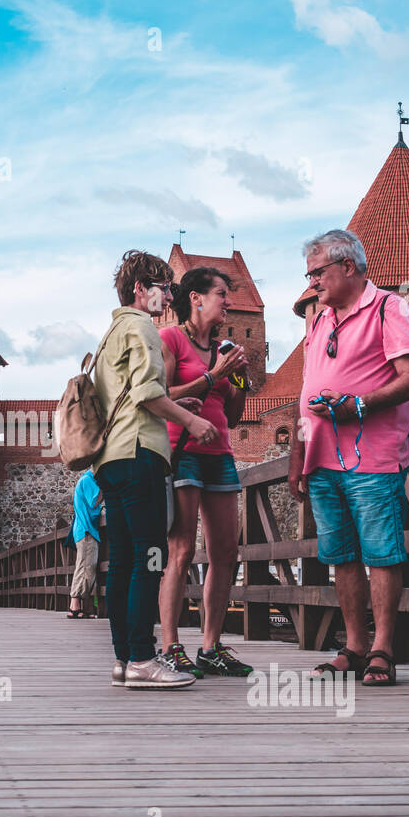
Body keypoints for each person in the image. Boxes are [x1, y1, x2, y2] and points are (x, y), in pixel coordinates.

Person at [288, 229, 409, 687]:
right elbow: (305, 394)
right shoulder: (320, 321)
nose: (312, 284)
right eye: (309, 275)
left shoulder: (391, 308)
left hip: (373, 454)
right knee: (341, 555)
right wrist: (297, 456)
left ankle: (383, 650)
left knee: (382, 553)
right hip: (323, 459)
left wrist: (360, 404)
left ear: (348, 267)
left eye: (317, 273)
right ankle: (354, 645)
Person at [93, 250, 219, 689]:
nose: (169, 296)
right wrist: (190, 419)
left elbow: (128, 397)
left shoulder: (111, 333)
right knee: (151, 557)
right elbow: (147, 393)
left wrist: (174, 403)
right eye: (162, 287)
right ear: (138, 291)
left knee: (125, 561)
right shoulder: (143, 326)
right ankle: (146, 659)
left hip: (110, 460)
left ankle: (125, 659)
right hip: (141, 453)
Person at [156, 267, 254, 678]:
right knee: (180, 550)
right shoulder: (170, 339)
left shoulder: (224, 347)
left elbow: (232, 415)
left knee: (226, 553)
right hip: (183, 451)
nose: (227, 302)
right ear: (195, 298)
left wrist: (241, 382)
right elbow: (157, 394)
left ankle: (211, 646)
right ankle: (170, 645)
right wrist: (211, 376)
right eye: (220, 294)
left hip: (220, 453)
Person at [67, 469, 102, 619]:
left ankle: (78, 606)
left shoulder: (85, 480)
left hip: (84, 529)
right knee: (86, 567)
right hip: (86, 529)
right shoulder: (88, 480)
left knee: (84, 566)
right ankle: (75, 605)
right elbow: (94, 501)